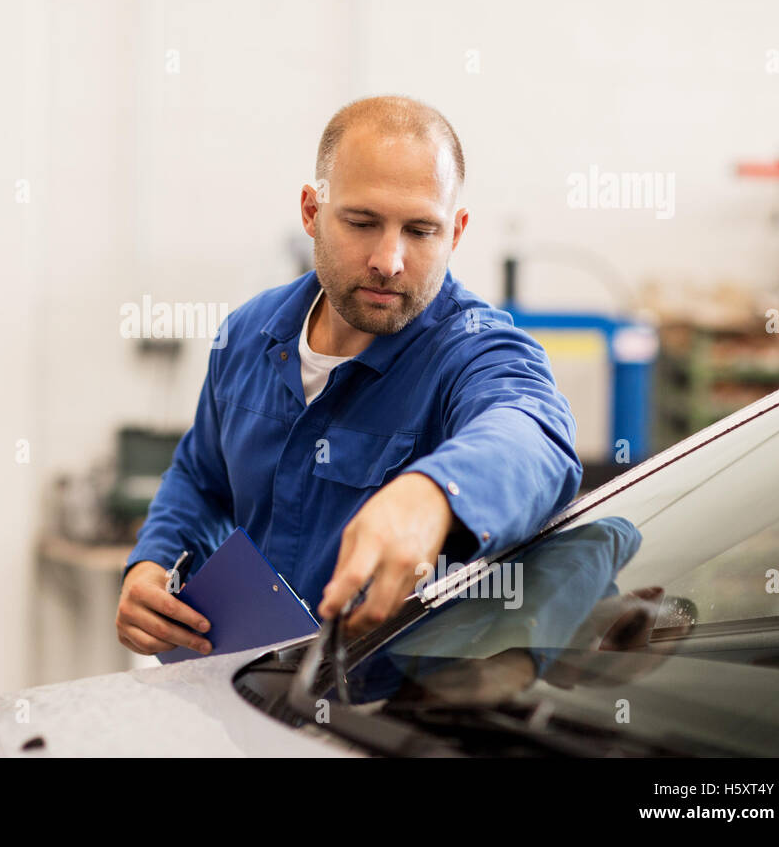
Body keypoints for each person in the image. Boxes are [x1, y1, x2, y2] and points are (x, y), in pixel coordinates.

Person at [116, 95, 582, 655]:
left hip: (386, 720)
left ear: (456, 233)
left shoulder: (473, 350)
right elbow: (201, 477)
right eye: (363, 223)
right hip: (247, 696)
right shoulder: (247, 336)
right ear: (312, 212)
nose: (389, 260)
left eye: (421, 231)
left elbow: (534, 431)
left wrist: (434, 493)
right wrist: (152, 563)